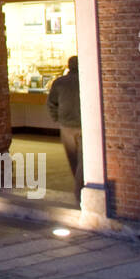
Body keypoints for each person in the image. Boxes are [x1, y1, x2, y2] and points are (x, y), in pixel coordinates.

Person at [47, 56, 82, 199]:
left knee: (73, 158)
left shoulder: (59, 82)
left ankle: (79, 186)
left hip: (66, 125)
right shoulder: (85, 80)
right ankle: (81, 189)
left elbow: (51, 103)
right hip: (82, 124)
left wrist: (57, 118)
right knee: (83, 159)